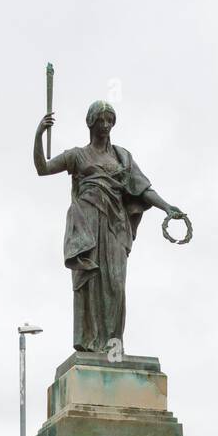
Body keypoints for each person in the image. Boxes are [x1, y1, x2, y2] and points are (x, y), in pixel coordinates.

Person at [34, 101, 188, 353]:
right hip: (87, 224)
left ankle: (114, 348)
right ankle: (91, 344)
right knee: (91, 282)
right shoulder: (77, 155)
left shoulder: (122, 157)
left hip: (115, 223)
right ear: (90, 123)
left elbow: (142, 188)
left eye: (109, 120)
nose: (105, 125)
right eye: (101, 120)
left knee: (116, 285)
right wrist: (39, 134)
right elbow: (42, 168)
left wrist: (167, 207)